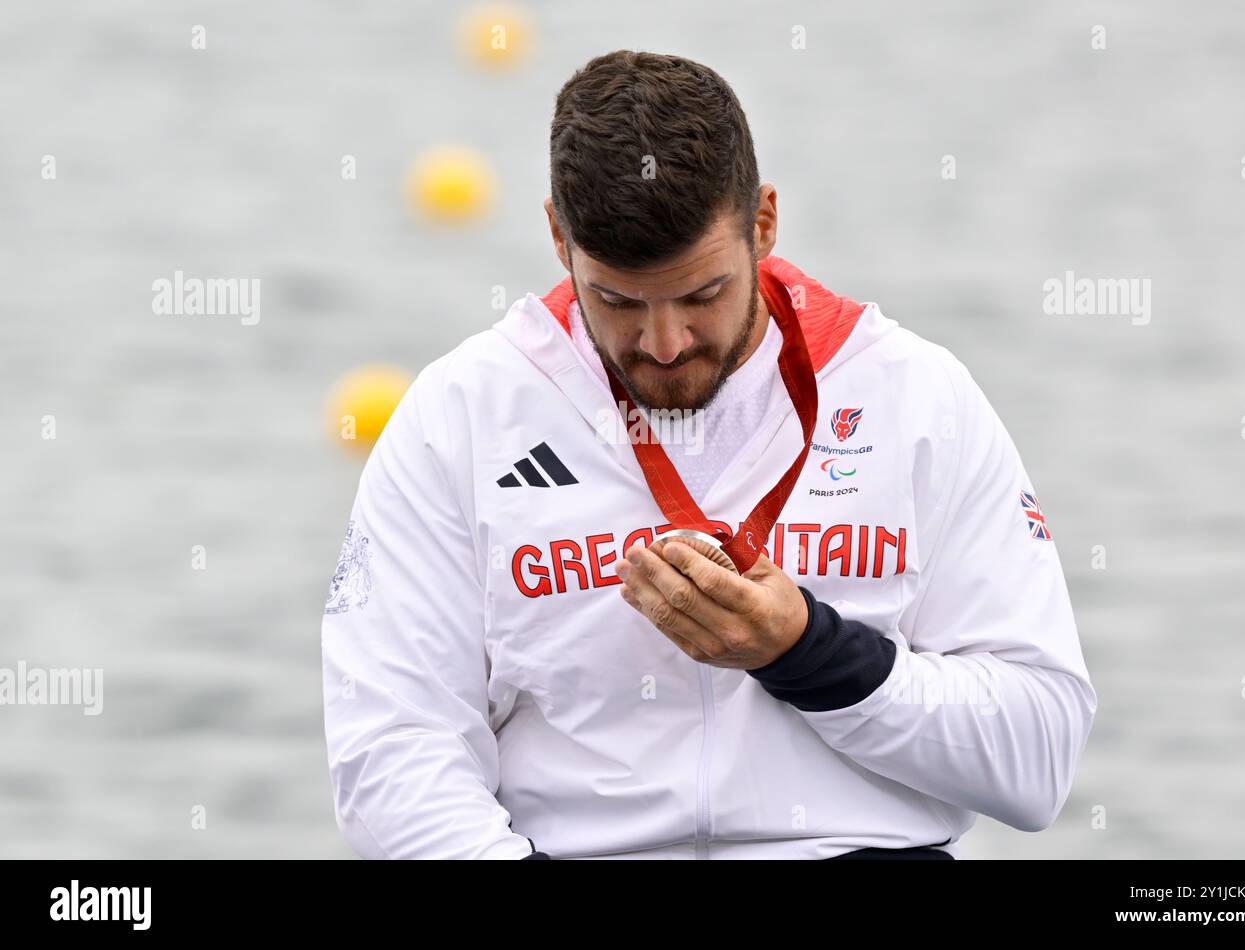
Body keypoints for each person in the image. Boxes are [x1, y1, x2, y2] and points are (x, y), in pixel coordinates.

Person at [320, 50, 1097, 860]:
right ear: (558, 237)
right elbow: (393, 752)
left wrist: (807, 652)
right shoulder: (461, 416)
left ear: (763, 221)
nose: (663, 344)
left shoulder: (916, 396)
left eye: (702, 295)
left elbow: (1037, 763)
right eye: (618, 301)